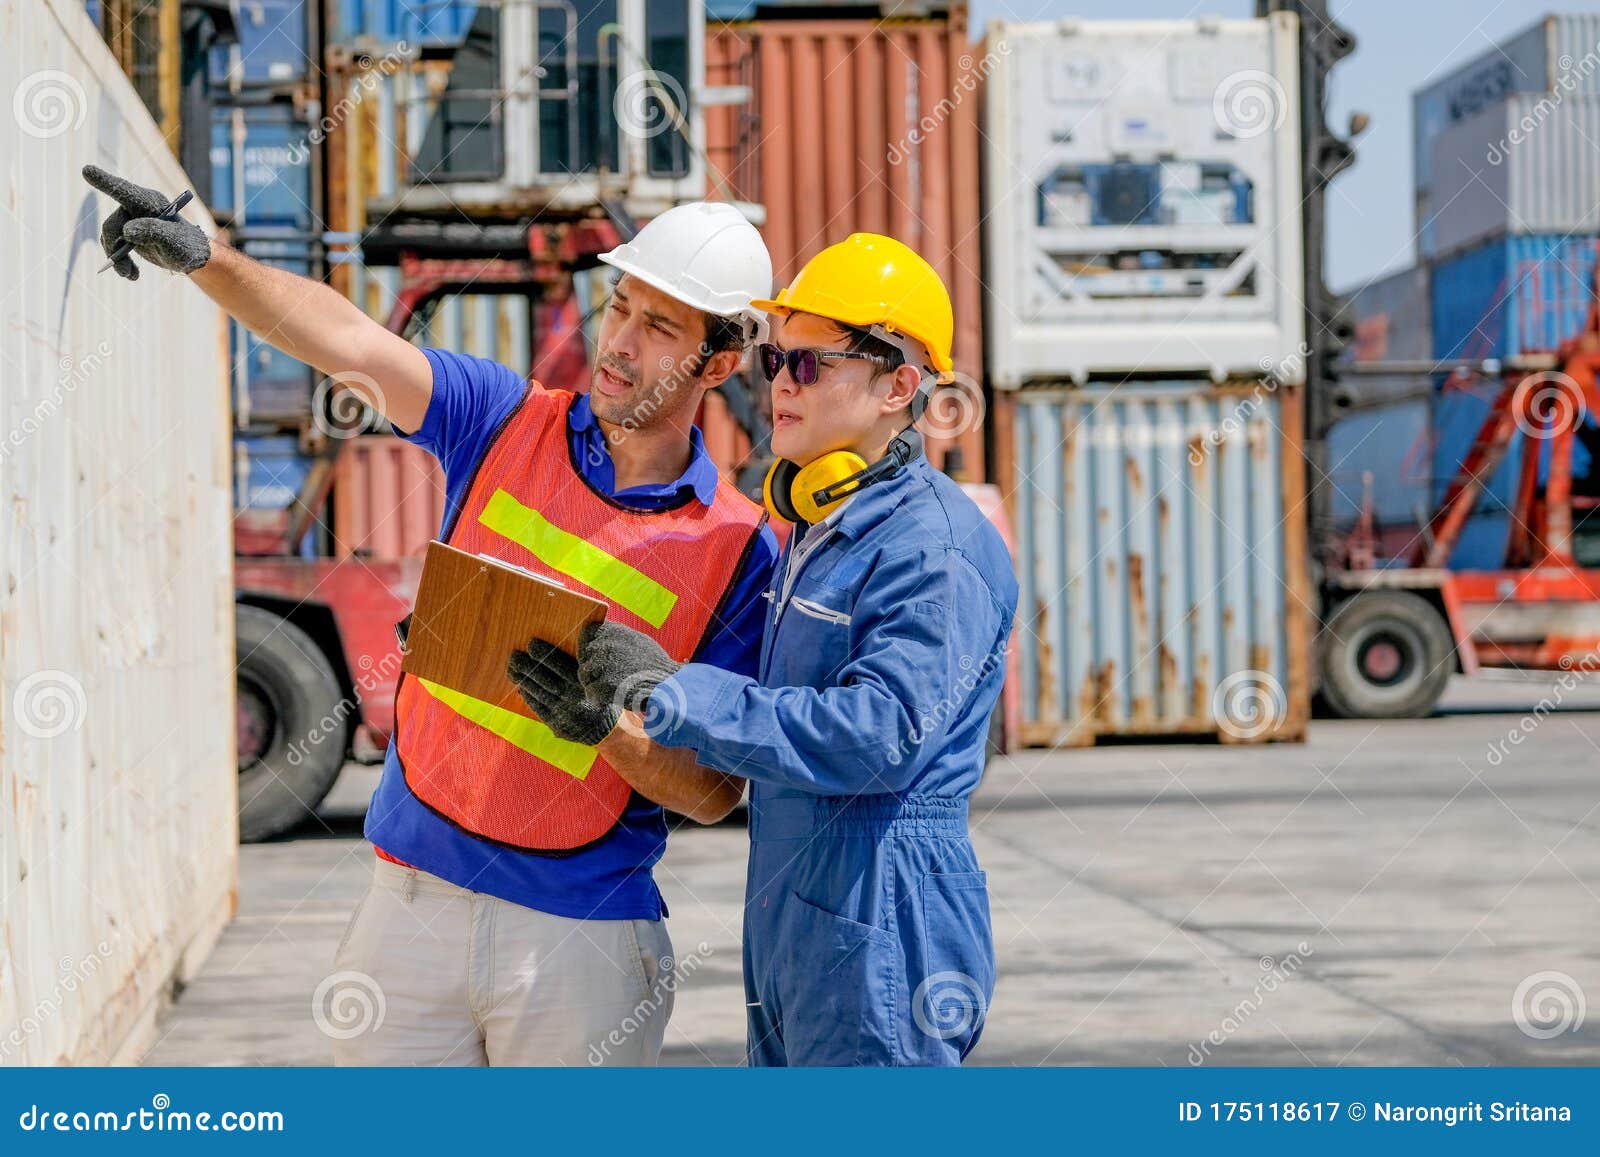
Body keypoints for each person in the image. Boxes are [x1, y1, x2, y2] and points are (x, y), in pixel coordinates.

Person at [83, 165, 780, 1066]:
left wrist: (605, 730)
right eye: (618, 306)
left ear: (718, 363)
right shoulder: (502, 419)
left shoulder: (738, 547)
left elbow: (715, 790)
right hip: (408, 912)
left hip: (583, 944)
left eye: (659, 326)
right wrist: (208, 260)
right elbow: (350, 343)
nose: (619, 342)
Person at [510, 233, 1017, 1066]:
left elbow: (879, 736)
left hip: (884, 905)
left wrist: (680, 693)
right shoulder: (823, 530)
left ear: (900, 385)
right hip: (802, 912)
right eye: (776, 359)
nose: (782, 381)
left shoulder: (933, 549)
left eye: (812, 364)